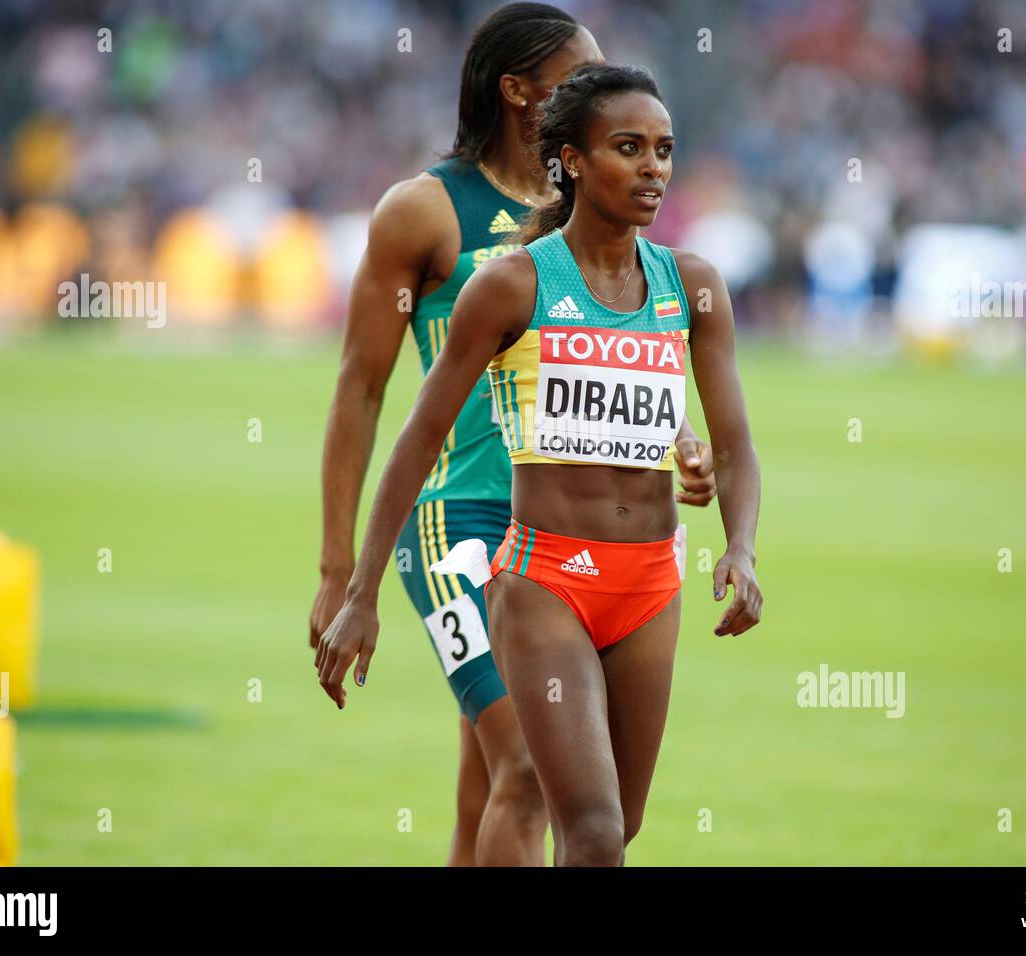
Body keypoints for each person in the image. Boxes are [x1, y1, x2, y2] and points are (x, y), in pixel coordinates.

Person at [316, 62, 761, 867]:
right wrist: (359, 591)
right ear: (571, 162)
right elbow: (417, 440)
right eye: (628, 147)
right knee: (587, 832)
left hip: (651, 583)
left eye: (664, 149)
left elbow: (730, 442)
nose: (653, 166)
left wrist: (740, 543)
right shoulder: (511, 285)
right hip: (546, 579)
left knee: (613, 830)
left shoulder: (692, 287)